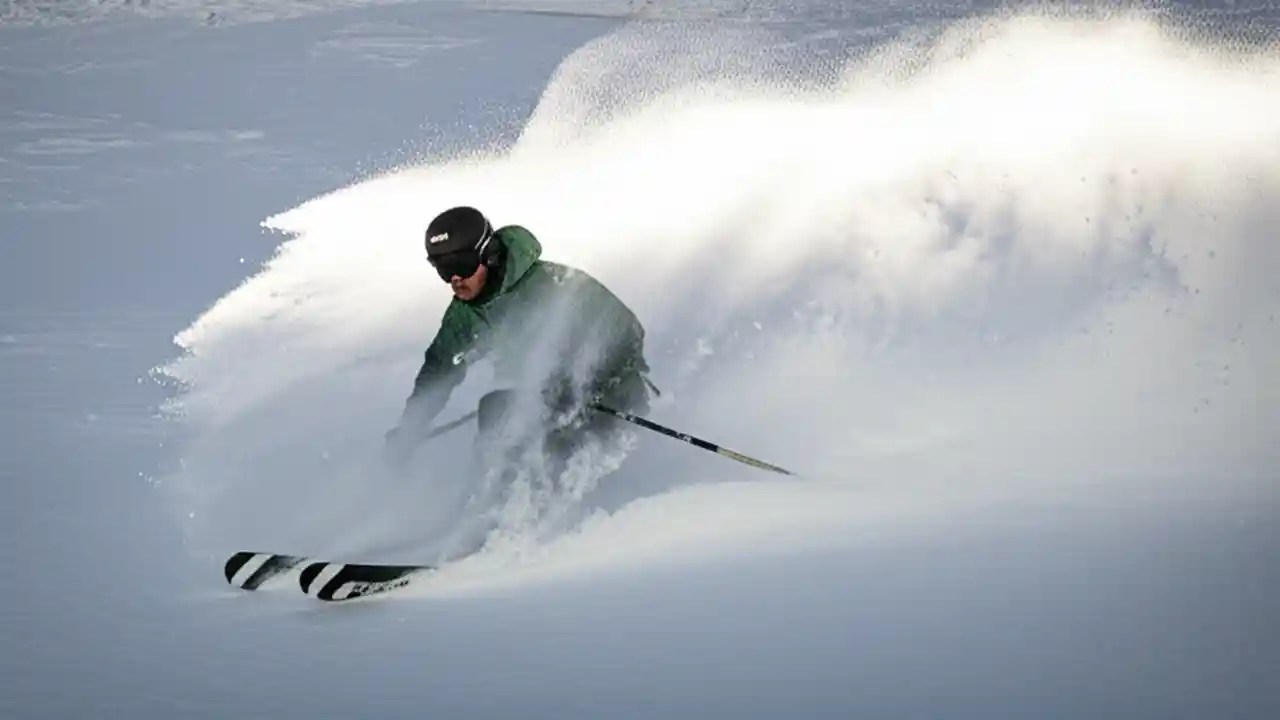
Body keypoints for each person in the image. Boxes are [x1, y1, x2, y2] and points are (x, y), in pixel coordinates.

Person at [384, 206, 653, 474]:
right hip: (544, 400)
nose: (454, 279)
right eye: (443, 269)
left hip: (608, 397)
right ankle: (485, 503)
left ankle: (556, 498)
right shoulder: (465, 313)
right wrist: (410, 429)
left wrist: (584, 384)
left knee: (529, 431)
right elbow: (439, 371)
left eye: (461, 265)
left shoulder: (553, 284)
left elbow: (626, 330)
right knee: (495, 412)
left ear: (488, 255)